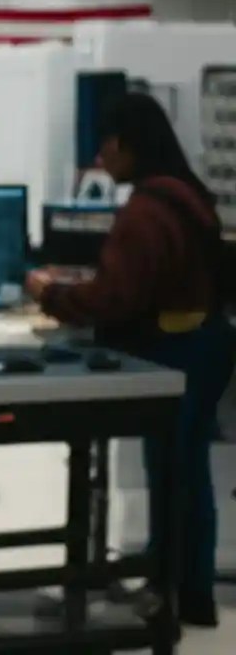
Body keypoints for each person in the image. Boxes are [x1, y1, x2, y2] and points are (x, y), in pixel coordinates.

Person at [26, 92, 236, 627]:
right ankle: (184, 592)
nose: (101, 158)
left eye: (106, 146)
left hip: (174, 355)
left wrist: (48, 294)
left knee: (174, 474)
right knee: (184, 473)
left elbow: (115, 298)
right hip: (206, 345)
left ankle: (173, 596)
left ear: (125, 145)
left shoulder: (145, 211)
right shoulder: (188, 195)